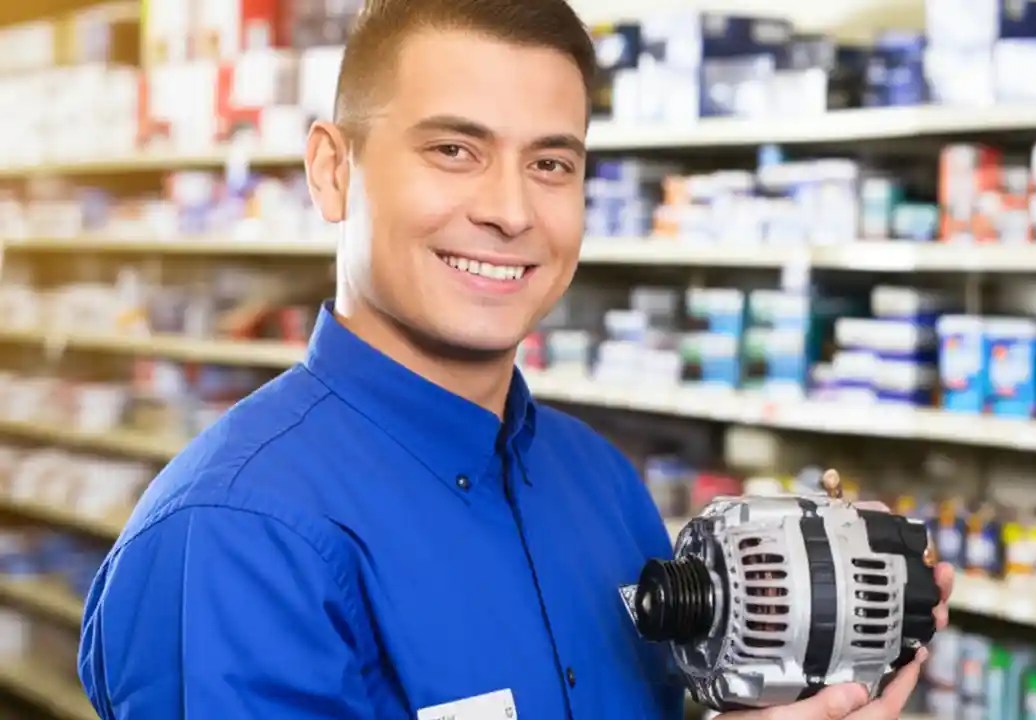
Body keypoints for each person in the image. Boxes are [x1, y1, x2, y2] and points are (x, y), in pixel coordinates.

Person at [77, 0, 953, 718]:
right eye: (454, 150)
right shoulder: (236, 538)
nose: (510, 210)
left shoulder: (603, 487)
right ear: (332, 171)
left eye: (551, 163)